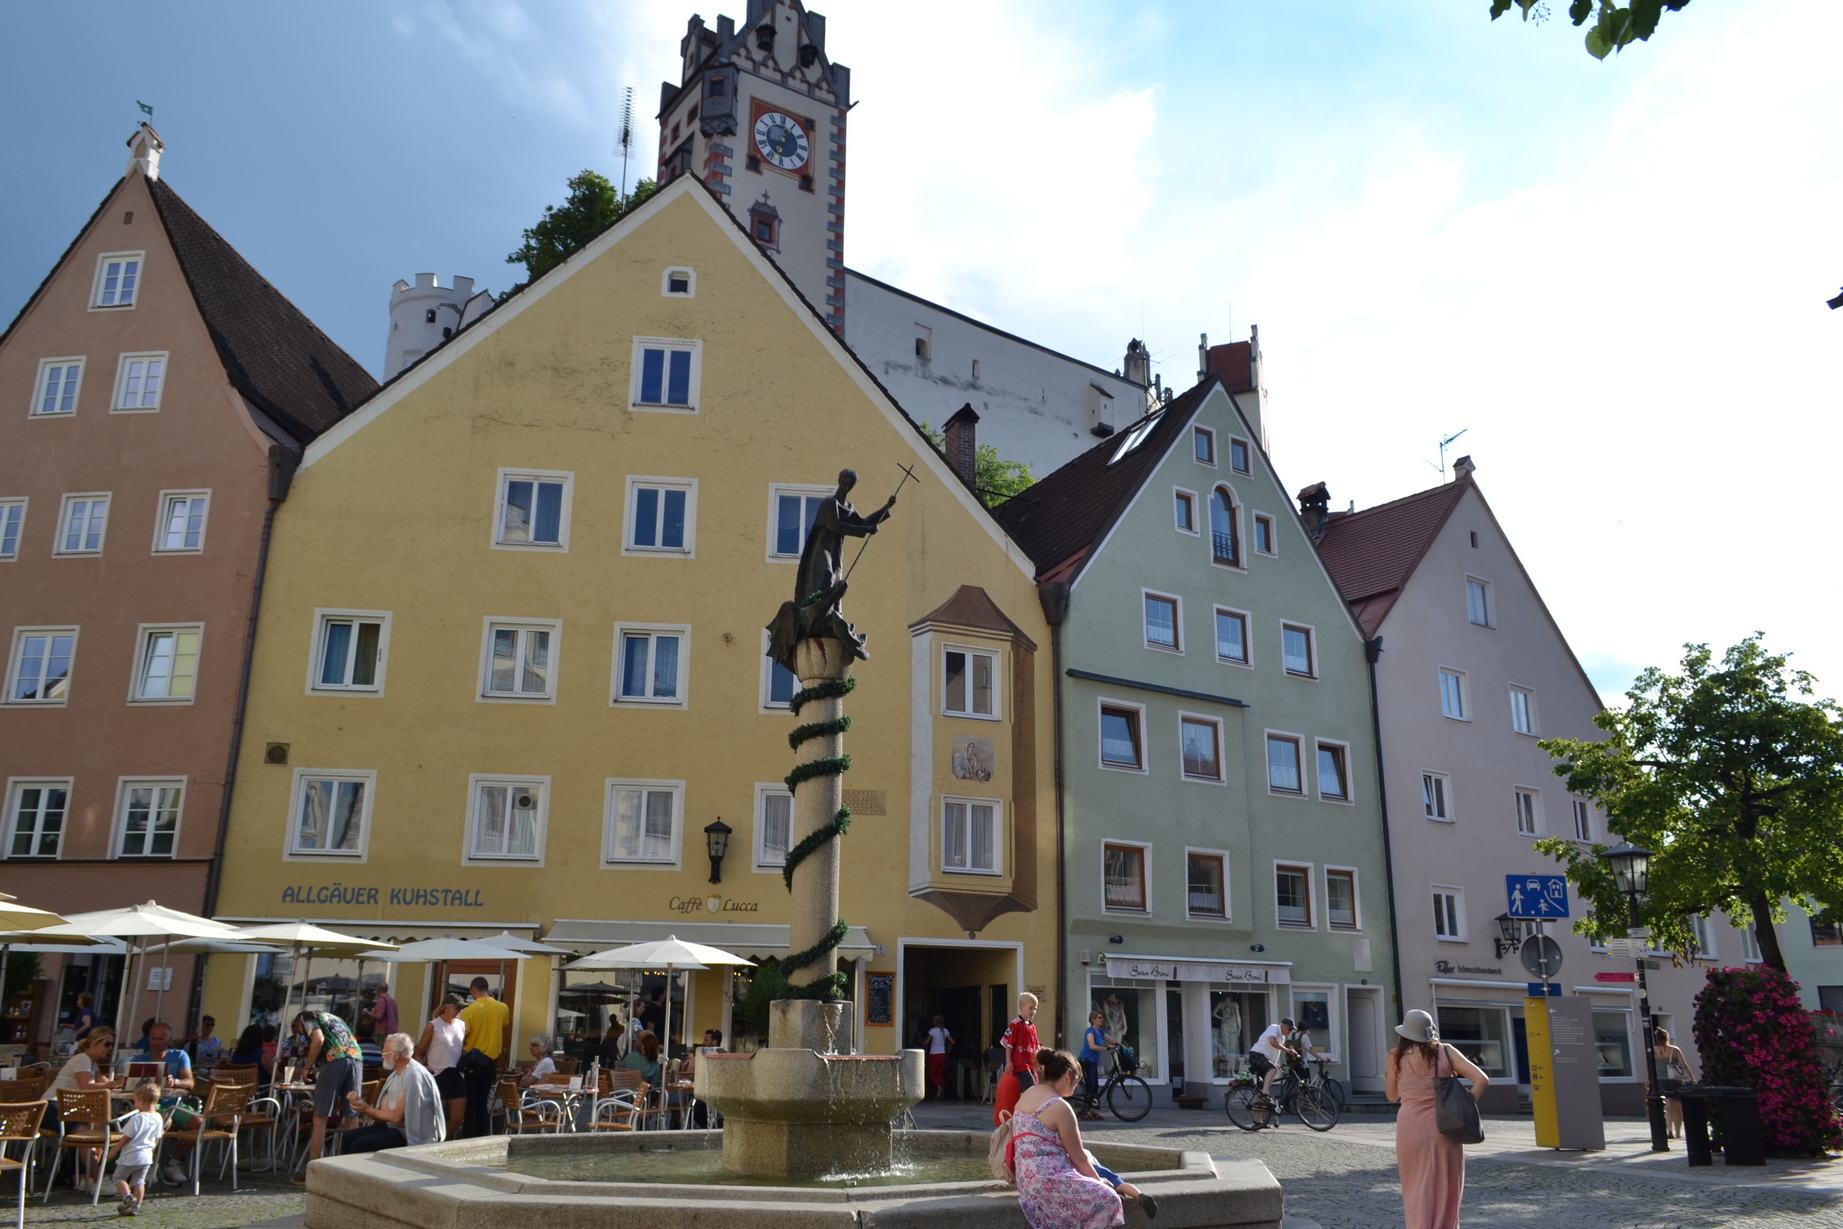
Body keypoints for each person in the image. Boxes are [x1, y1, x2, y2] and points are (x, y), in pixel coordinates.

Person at [1007, 1048, 1152, 1228]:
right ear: (1068, 1074)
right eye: (1076, 1081)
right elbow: (1078, 1158)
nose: (1076, 1087)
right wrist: (1100, 1184)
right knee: (1109, 1199)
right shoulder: (1060, 1107)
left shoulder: (1027, 1094)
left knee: (1089, 1156)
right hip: (1047, 1182)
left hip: (1026, 1181)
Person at [1386, 1009, 1489, 1229]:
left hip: (1409, 1126)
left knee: (1414, 1185)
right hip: (1444, 1125)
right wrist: (1464, 1105)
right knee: (1446, 1185)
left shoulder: (1395, 1055)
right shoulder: (1446, 1052)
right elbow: (1481, 1079)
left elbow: (1392, 1096)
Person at [292, 1009, 365, 1184]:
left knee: (320, 1116)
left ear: (298, 1024)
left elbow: (318, 1040)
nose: (304, 1037)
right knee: (352, 1115)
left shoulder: (306, 1016)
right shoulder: (334, 1017)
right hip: (356, 1058)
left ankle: (313, 1171)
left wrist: (307, 1067)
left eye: (301, 1033)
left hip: (335, 1058)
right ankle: (354, 1170)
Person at [343, 1032, 447, 1153]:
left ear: (396, 1055)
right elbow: (384, 1114)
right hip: (391, 1127)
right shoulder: (395, 1075)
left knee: (358, 1145)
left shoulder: (413, 1075)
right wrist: (362, 1106)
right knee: (348, 1137)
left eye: (385, 1053)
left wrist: (367, 1109)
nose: (382, 1056)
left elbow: (396, 1117)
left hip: (407, 1134)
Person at [51, 1027, 119, 1190]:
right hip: (53, 1106)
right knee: (85, 1132)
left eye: (112, 1045)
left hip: (71, 1108)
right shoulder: (82, 1059)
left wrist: (121, 1081)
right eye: (107, 1044)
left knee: (100, 1126)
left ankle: (88, 1178)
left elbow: (103, 1081)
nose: (110, 1049)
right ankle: (97, 1180)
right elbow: (86, 1087)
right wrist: (113, 1084)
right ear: (95, 1042)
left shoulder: (91, 1063)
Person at [134, 1022, 197, 1187]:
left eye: (160, 1039)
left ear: (169, 1039)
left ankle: (173, 1163)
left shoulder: (180, 1055)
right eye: (153, 1039)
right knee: (162, 1121)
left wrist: (175, 1081)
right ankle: (148, 1164)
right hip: (151, 1104)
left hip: (174, 1101)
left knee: (198, 1123)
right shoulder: (140, 1059)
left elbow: (190, 1082)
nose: (156, 1042)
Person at [457, 978, 509, 1138]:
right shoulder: (502, 1007)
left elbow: (462, 1035)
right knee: (483, 1101)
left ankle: (469, 1136)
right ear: (487, 989)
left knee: (470, 1102)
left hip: (473, 1060)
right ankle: (482, 1135)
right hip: (490, 1062)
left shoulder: (470, 1010)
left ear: (474, 990)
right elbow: (503, 1024)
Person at [106, 1081, 164, 1216]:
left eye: (135, 1101)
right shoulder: (158, 1117)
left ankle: (128, 1198)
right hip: (147, 1156)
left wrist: (114, 1151)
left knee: (119, 1177)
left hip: (132, 1154)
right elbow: (157, 1138)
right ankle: (136, 1206)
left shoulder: (137, 1117)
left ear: (142, 1101)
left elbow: (126, 1137)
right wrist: (152, 1150)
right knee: (139, 1182)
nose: (135, 1104)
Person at [415, 995, 468, 1139]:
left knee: (458, 1118)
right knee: (435, 1115)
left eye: (461, 1008)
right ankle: (429, 1141)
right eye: (457, 1007)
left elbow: (459, 1049)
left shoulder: (461, 1025)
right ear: (446, 1007)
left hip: (456, 1073)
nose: (459, 1011)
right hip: (438, 1074)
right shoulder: (433, 1025)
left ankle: (440, 1141)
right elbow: (419, 1052)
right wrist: (423, 1072)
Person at [995, 992, 1042, 1126]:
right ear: (1022, 1007)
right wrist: (1009, 1062)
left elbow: (1035, 1047)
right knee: (1031, 1090)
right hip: (1021, 1065)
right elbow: (1008, 1044)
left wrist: (1037, 1062)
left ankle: (1022, 1115)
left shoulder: (1032, 1027)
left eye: (1035, 1008)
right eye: (1030, 1008)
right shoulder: (1015, 1024)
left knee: (1028, 1090)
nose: (1033, 1011)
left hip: (1030, 1065)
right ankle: (1024, 1115)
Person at [1653, 1027, 1696, 1139]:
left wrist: (1648, 1080)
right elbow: (1684, 1064)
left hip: (1660, 1081)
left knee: (1667, 1107)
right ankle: (1678, 1132)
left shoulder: (1653, 1051)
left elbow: (1649, 1067)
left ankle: (1669, 1131)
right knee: (1677, 1108)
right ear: (1667, 1038)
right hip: (1674, 1081)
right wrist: (1692, 1078)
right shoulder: (1674, 1050)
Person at [1077, 1011, 1115, 1121]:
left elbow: (1111, 1039)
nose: (1102, 1019)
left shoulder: (1101, 1032)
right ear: (1093, 1019)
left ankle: (1092, 1111)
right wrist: (1106, 1048)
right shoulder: (1090, 1032)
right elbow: (1092, 1046)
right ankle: (1084, 1111)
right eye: (1099, 1017)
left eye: (1102, 1017)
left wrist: (1121, 1046)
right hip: (1086, 1060)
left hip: (1093, 1061)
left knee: (1094, 1087)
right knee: (1090, 1087)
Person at [1249, 1017, 1297, 1102]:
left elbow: (1274, 1052)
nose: (1289, 1032)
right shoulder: (1274, 1027)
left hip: (1263, 1058)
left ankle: (1258, 1112)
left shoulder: (1282, 1038)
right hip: (1256, 1055)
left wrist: (1274, 1063)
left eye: (1291, 1030)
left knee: (1264, 1089)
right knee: (1272, 1069)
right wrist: (1288, 1050)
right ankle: (1264, 1093)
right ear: (1283, 1025)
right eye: (1289, 1028)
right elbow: (1273, 1042)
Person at [926, 1016, 954, 1100]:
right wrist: (946, 1045)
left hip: (934, 1054)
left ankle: (938, 1087)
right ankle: (939, 1090)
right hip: (942, 1054)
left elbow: (926, 1042)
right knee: (939, 1073)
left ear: (935, 1022)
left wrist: (920, 1040)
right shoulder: (945, 1031)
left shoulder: (932, 1031)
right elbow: (952, 1042)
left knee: (932, 1074)